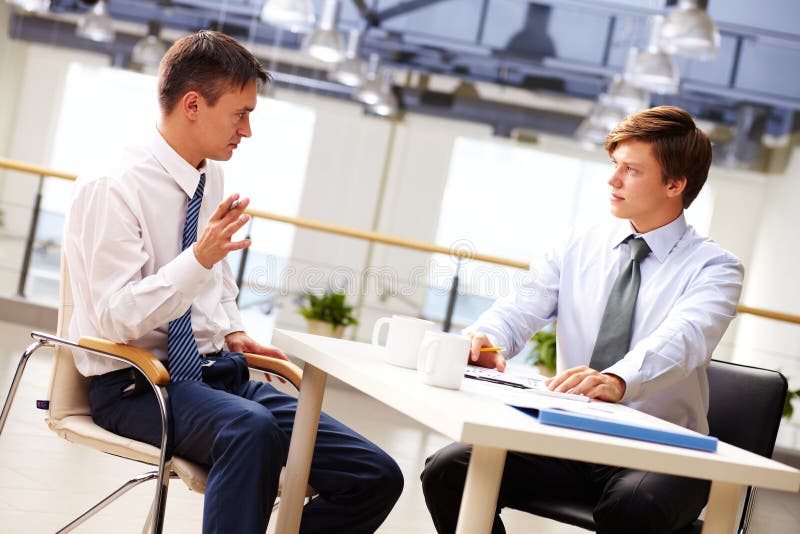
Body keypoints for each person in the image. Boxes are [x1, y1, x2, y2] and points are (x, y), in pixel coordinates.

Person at [64, 30, 402, 534]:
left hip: (214, 374)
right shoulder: (114, 185)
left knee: (374, 474)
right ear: (194, 104)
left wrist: (230, 329)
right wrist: (196, 260)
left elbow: (215, 280)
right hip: (137, 385)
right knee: (250, 428)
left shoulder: (207, 175)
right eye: (241, 113)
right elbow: (113, 319)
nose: (247, 131)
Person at [420, 106, 744, 534]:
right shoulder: (579, 243)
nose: (612, 180)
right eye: (615, 165)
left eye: (631, 170)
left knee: (634, 506)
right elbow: (522, 305)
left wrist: (618, 380)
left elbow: (684, 338)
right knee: (448, 468)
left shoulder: (715, 268)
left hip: (662, 450)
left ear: (675, 184)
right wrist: (486, 337)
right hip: (569, 435)